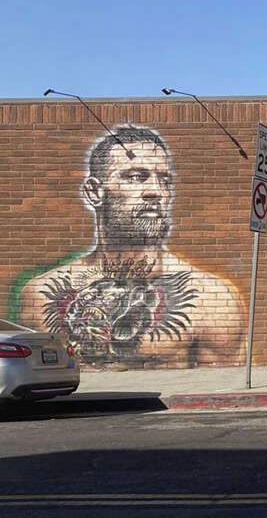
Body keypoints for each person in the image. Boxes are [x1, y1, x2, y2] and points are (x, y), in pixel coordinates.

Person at [19, 126, 244, 367]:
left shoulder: (210, 298)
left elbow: (216, 389)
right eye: (136, 177)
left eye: (164, 180)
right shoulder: (39, 294)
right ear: (95, 191)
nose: (155, 191)